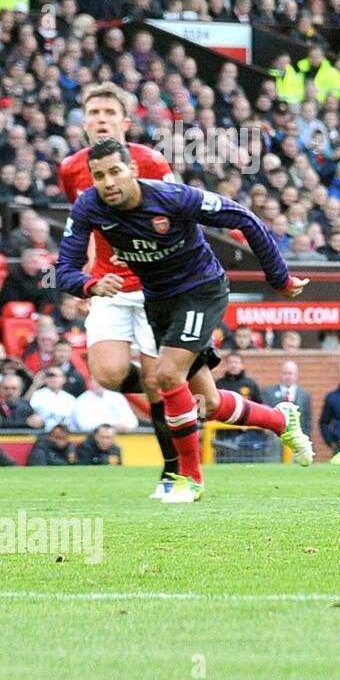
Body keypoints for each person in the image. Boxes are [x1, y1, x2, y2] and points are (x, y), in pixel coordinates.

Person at [55, 138, 314, 502]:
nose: (108, 182)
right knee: (207, 402)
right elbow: (64, 269)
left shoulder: (173, 198)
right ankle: (280, 420)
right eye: (99, 176)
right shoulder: (89, 207)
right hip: (158, 301)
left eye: (115, 171)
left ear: (133, 170)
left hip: (201, 290)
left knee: (165, 375)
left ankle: (189, 480)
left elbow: (244, 218)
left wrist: (280, 278)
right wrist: (90, 284)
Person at [58, 83, 222, 495]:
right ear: (83, 121)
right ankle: (183, 379)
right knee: (109, 373)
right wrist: (87, 276)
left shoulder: (151, 161)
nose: (100, 119)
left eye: (109, 112)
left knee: (158, 381)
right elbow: (84, 224)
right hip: (109, 285)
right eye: (93, 112)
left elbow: (180, 215)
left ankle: (173, 471)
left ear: (125, 122)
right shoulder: (71, 169)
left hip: (155, 286)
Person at [264, 361, 312, 437]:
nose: (287, 376)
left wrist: (305, 437)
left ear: (296, 375)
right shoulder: (268, 392)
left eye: (290, 373)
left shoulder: (304, 395)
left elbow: (307, 420)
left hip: (297, 439)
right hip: (274, 439)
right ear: (280, 374)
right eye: (285, 373)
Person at [72, 379, 139, 433]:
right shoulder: (82, 400)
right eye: (96, 381)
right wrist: (112, 426)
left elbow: (133, 422)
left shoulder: (117, 397)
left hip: (121, 437)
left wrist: (125, 426)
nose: (99, 384)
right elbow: (84, 425)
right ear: (90, 382)